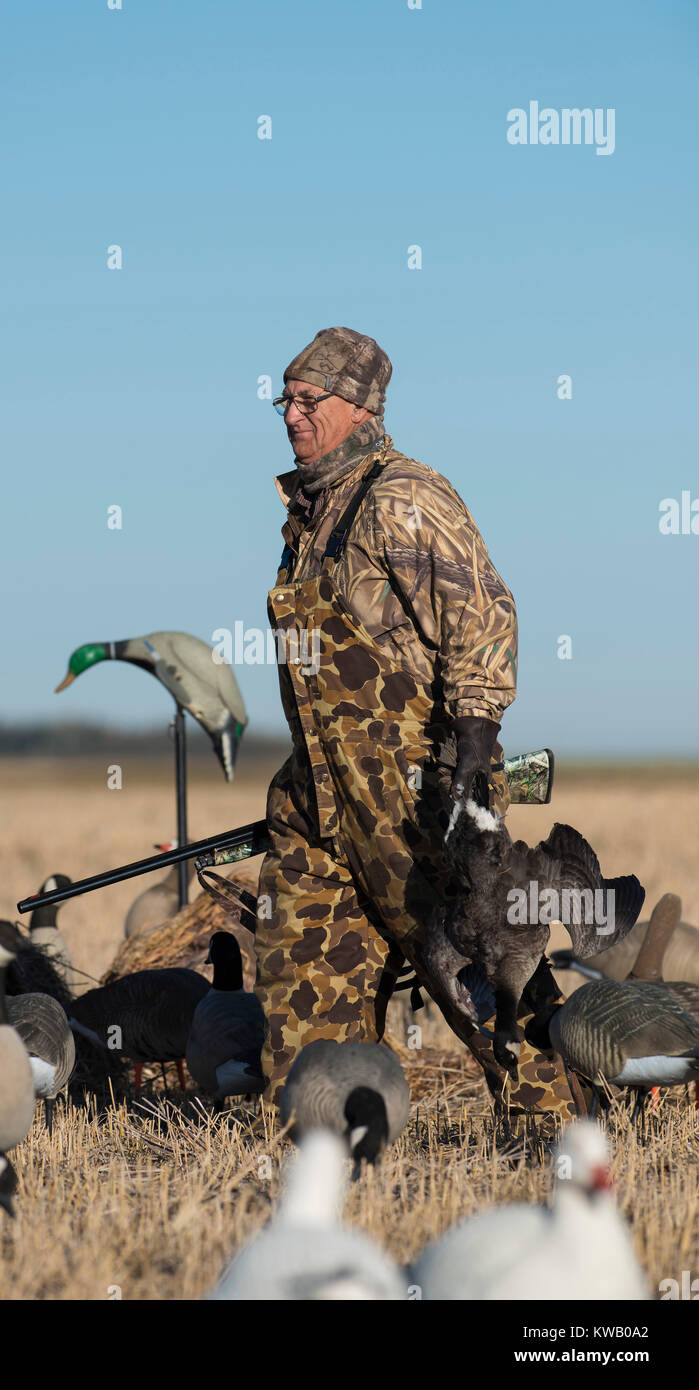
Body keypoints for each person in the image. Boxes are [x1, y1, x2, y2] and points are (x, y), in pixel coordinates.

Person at [255, 325, 580, 1120]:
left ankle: (563, 1116)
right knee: (299, 964)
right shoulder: (310, 515)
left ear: (360, 407)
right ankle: (320, 1131)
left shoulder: (402, 496)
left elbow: (483, 615)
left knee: (471, 964)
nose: (291, 416)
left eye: (308, 401)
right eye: (283, 400)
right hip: (321, 789)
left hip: (413, 790)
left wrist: (475, 741)